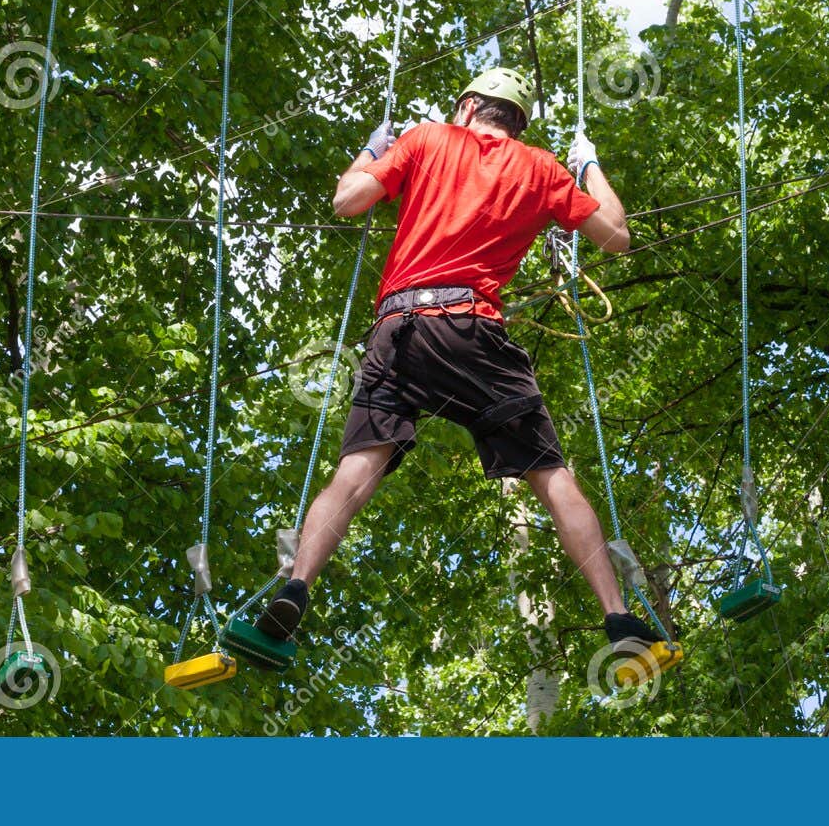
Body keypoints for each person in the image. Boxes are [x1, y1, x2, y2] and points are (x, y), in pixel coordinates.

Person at [252, 67, 664, 660]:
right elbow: (616, 236)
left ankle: (297, 584)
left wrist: (374, 148)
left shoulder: (425, 138)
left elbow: (348, 200)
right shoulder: (542, 168)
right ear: (517, 123)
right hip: (473, 332)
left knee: (355, 470)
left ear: (469, 106)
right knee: (549, 474)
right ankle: (618, 618)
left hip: (396, 332)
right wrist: (588, 165)